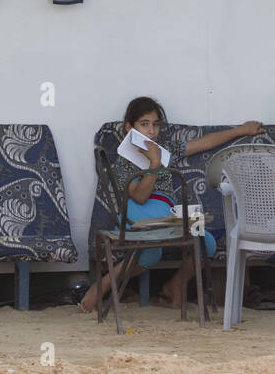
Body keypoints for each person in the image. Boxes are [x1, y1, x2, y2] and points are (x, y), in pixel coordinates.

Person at [80, 97, 262, 312]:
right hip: (138, 216)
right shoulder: (123, 163)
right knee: (150, 253)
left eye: (155, 124)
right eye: (144, 124)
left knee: (207, 243)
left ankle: (175, 284)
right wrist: (154, 164)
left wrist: (240, 130)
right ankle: (101, 286)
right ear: (129, 127)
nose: (151, 131)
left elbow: (204, 143)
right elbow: (139, 197)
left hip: (168, 213)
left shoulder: (165, 150)